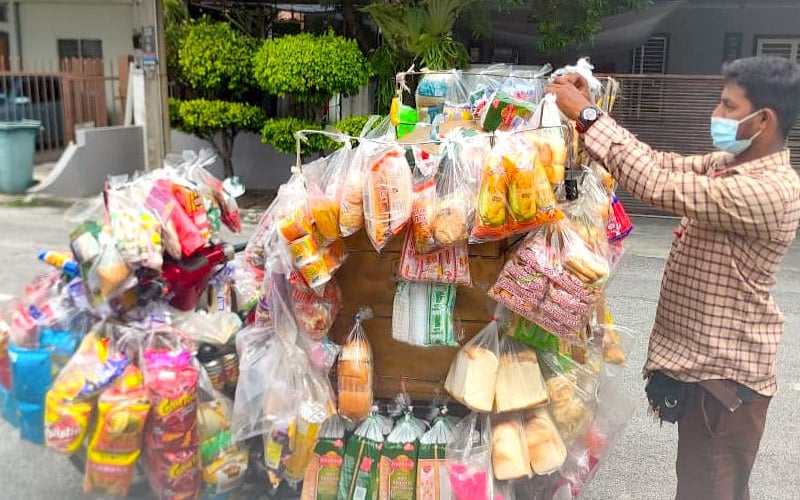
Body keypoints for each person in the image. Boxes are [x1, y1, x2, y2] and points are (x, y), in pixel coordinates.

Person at [547, 56, 800, 500]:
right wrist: (593, 113)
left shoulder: (768, 190)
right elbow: (655, 162)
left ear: (764, 120)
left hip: (725, 386)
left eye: (727, 106)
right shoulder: (732, 166)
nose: (715, 116)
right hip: (711, 380)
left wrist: (586, 116)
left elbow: (655, 186)